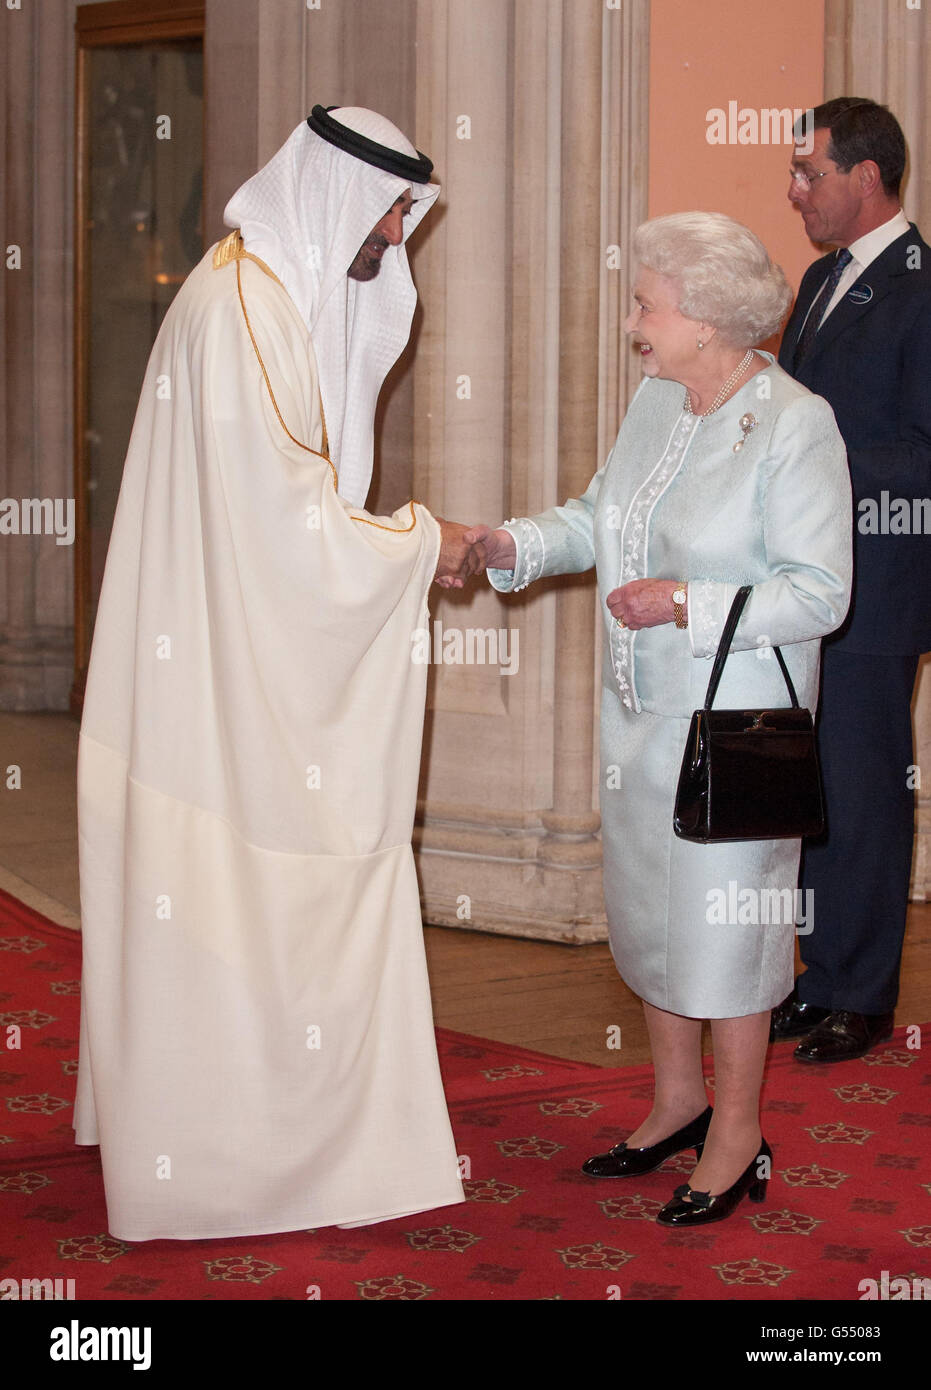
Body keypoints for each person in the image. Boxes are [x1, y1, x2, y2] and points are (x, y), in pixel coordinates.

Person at [73, 106, 482, 1240]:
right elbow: (288, 523)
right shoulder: (246, 309)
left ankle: (216, 1132)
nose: (396, 234)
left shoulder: (249, 291)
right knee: (250, 889)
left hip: (211, 658)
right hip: (222, 681)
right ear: (331, 194)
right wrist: (423, 541)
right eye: (388, 210)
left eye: (404, 212)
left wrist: (391, 545)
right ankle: (244, 1160)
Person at [464, 213, 852, 1225]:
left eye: (647, 305)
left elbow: (819, 594)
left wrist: (686, 601)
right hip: (640, 718)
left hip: (736, 733)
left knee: (727, 939)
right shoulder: (655, 399)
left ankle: (738, 1133)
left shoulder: (795, 422)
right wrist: (513, 543)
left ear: (708, 319)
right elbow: (602, 516)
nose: (633, 322)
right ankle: (678, 1102)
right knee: (650, 920)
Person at [771, 98, 931, 1063]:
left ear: (866, 177)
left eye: (810, 173)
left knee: (866, 790)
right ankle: (818, 976)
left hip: (879, 582)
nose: (794, 191)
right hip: (807, 578)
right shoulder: (820, 278)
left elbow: (922, 454)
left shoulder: (921, 289)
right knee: (813, 785)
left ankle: (863, 997)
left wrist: (811, 458)